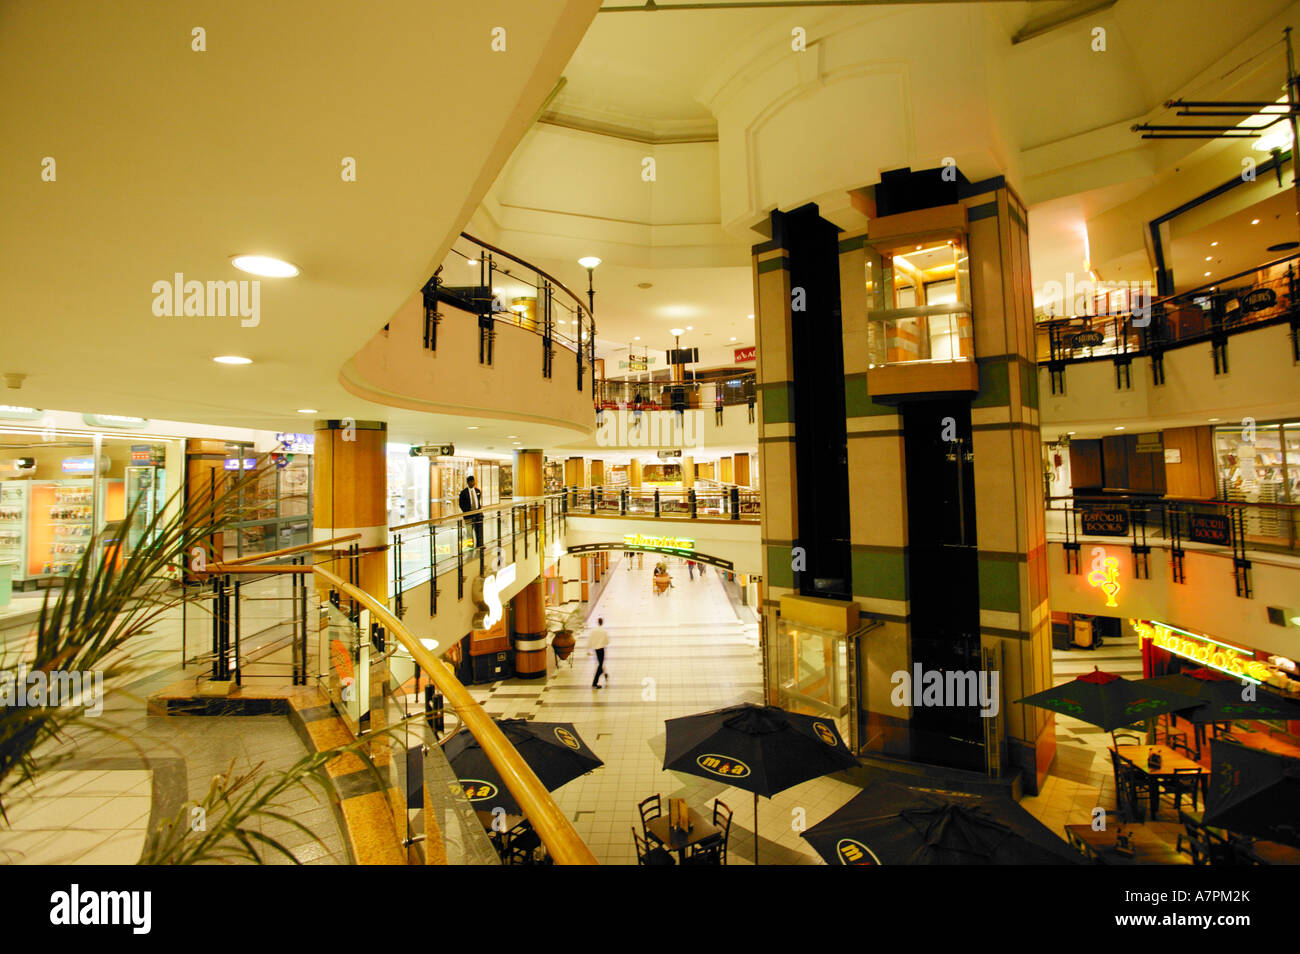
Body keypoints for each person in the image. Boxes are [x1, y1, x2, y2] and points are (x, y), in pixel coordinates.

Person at [458, 475, 484, 550]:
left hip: (478, 514)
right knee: (469, 531)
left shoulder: (477, 491)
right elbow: (461, 504)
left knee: (479, 530)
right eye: (471, 481)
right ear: (468, 482)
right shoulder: (463, 493)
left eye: (473, 481)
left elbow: (478, 502)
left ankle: (480, 545)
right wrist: (466, 512)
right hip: (468, 515)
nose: (473, 483)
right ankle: (470, 546)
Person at [588, 617, 609, 689]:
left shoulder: (593, 631)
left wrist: (589, 649)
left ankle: (604, 673)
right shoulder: (603, 631)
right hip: (601, 649)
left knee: (600, 663)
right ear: (602, 622)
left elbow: (590, 640)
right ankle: (595, 682)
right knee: (600, 664)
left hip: (596, 649)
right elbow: (607, 641)